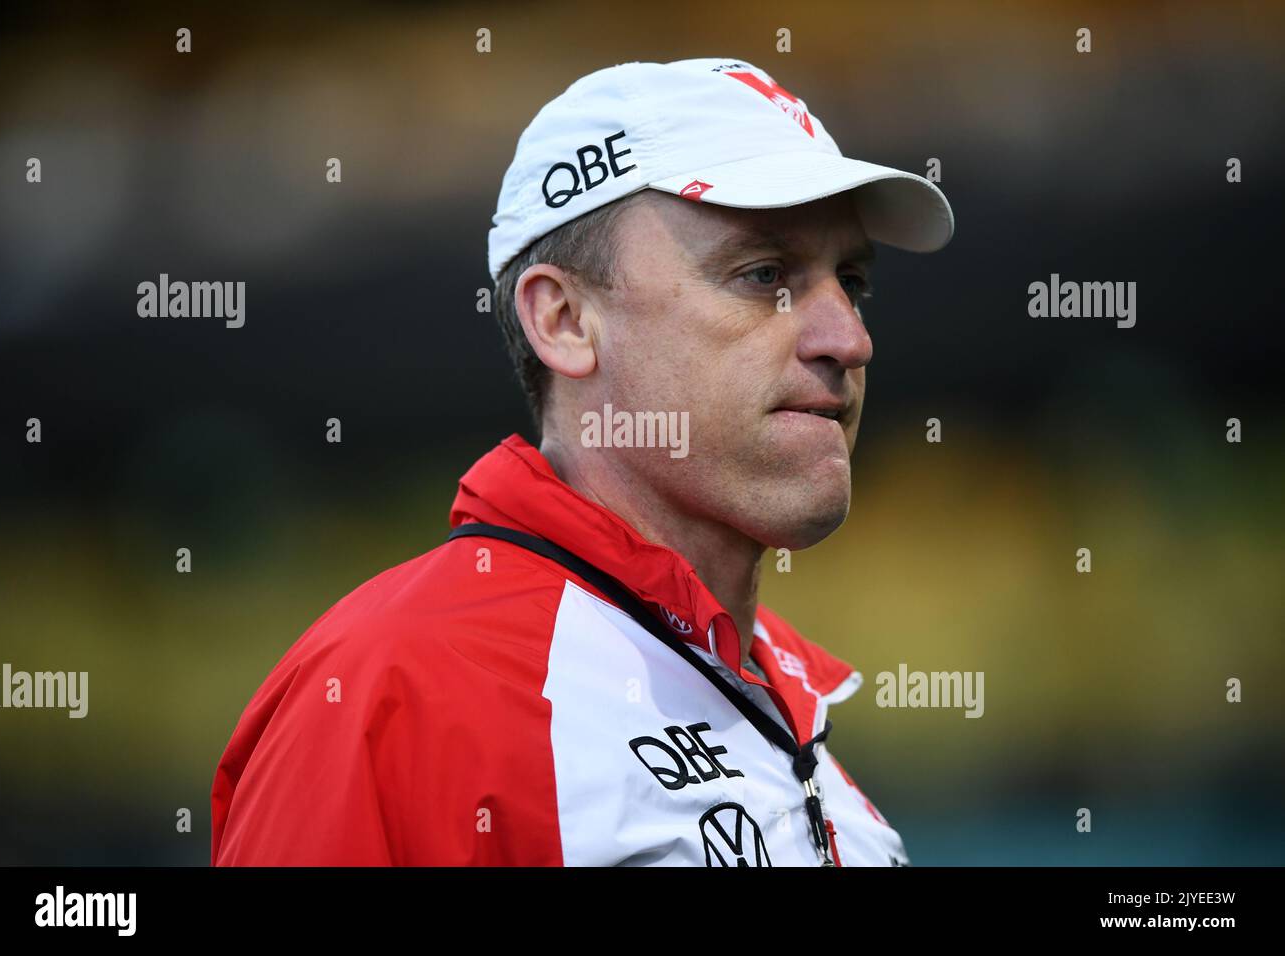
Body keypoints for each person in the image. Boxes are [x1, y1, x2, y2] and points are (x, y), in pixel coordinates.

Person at [211, 56, 953, 866]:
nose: (849, 339)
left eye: (852, 282)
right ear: (563, 321)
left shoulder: (802, 733)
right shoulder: (390, 691)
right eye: (764, 275)